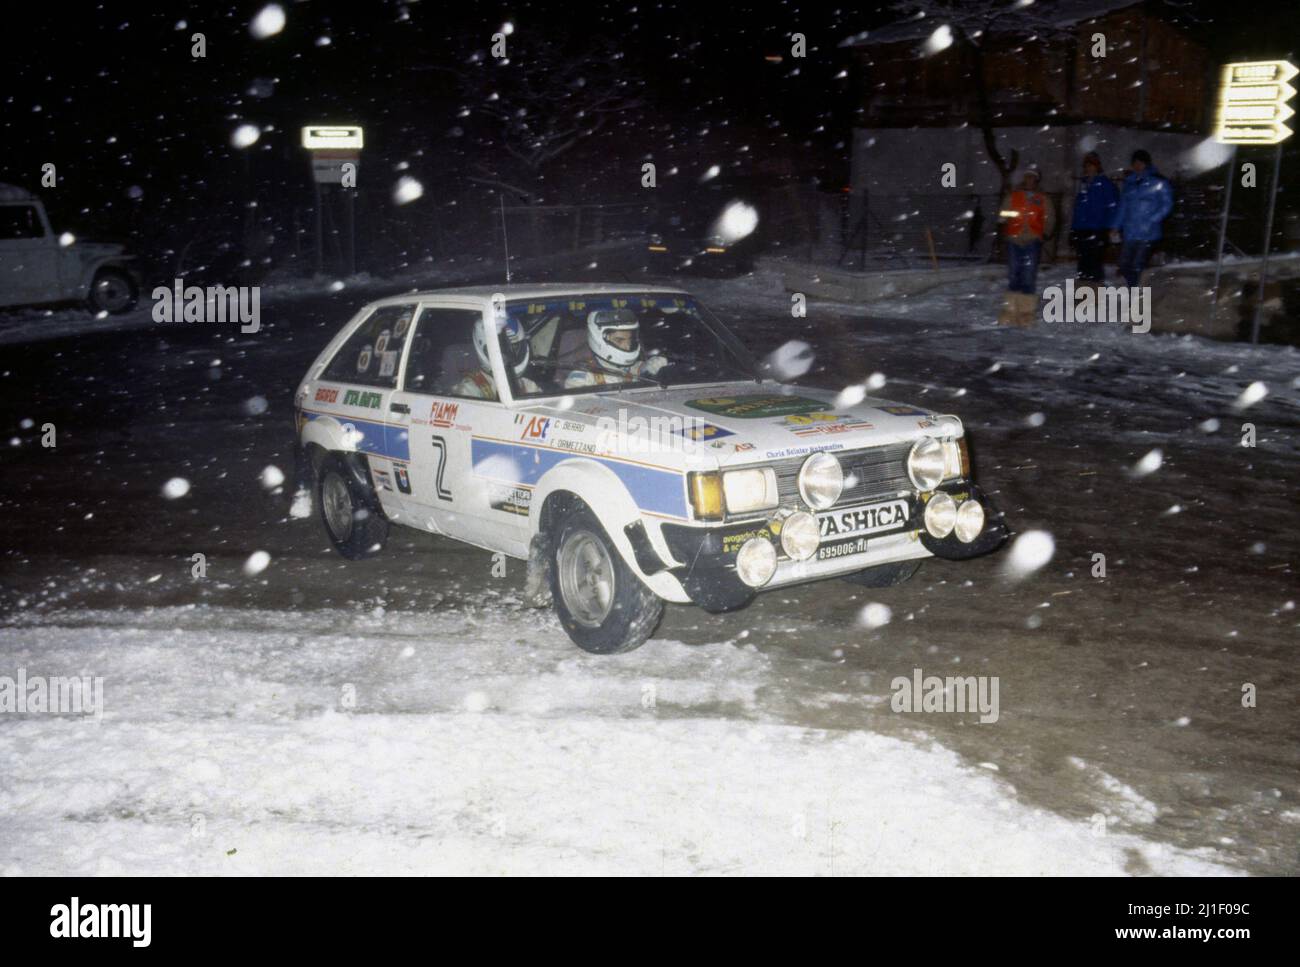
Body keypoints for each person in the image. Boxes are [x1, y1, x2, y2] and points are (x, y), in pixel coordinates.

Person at [997, 167, 1055, 327]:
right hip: (1014, 240)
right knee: (1014, 274)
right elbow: (1002, 215)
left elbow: (1049, 218)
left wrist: (1044, 233)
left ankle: (1026, 314)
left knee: (1028, 276)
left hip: (1032, 241)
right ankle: (1010, 311)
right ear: (1024, 178)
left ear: (1036, 180)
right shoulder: (1013, 196)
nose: (1029, 180)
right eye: (1027, 176)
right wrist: (1015, 216)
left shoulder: (1043, 199)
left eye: (1033, 177)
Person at [563, 308, 668, 388]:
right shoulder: (582, 379)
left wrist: (652, 366)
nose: (627, 346)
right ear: (599, 339)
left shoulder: (631, 368)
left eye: (629, 340)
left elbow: (642, 368)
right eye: (619, 340)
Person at [1113, 149, 1173, 287]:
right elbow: (1122, 207)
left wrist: (1152, 220)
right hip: (1130, 230)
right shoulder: (1129, 184)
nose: (1137, 166)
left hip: (1148, 232)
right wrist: (1115, 226)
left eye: (1140, 163)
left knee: (1137, 264)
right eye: (1135, 163)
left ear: (1146, 164)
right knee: (1123, 263)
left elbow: (1167, 205)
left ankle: (1133, 290)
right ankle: (1132, 285)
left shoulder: (1159, 183)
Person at [454, 315, 541, 399]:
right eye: (502, 350)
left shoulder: (528, 385)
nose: (508, 356)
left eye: (514, 347)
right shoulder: (469, 390)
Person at [1070, 152, 1119, 285]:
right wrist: (1073, 229)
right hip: (1082, 230)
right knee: (1083, 263)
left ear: (1097, 167)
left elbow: (1113, 207)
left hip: (1097, 230)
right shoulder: (1083, 185)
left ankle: (1095, 295)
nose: (1089, 168)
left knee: (1095, 263)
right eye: (1086, 166)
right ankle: (1083, 295)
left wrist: (1109, 228)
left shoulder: (1105, 184)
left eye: (1091, 165)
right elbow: (1078, 209)